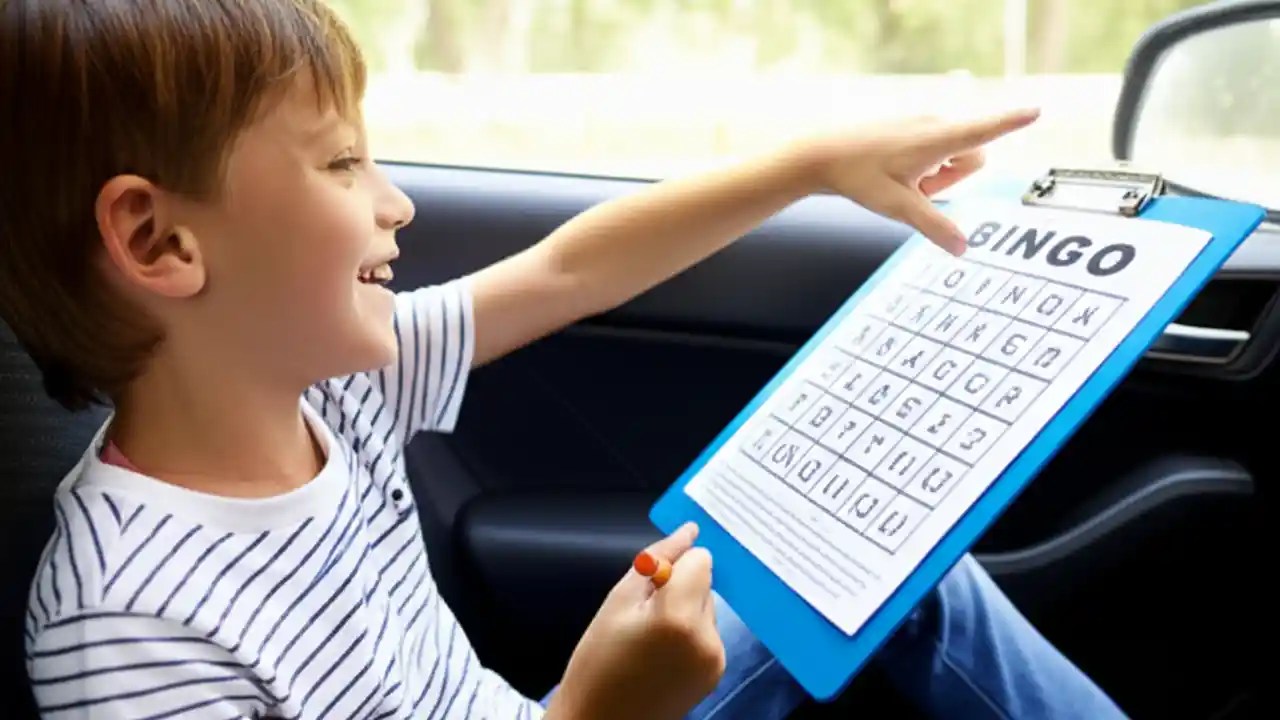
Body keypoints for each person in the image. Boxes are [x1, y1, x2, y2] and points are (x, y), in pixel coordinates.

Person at [0, 1, 1127, 718]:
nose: (394, 202)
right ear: (160, 242)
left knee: (891, 579)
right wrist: (600, 708)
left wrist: (810, 166)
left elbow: (569, 271)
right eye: (340, 164)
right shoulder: (126, 625)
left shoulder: (339, 391)